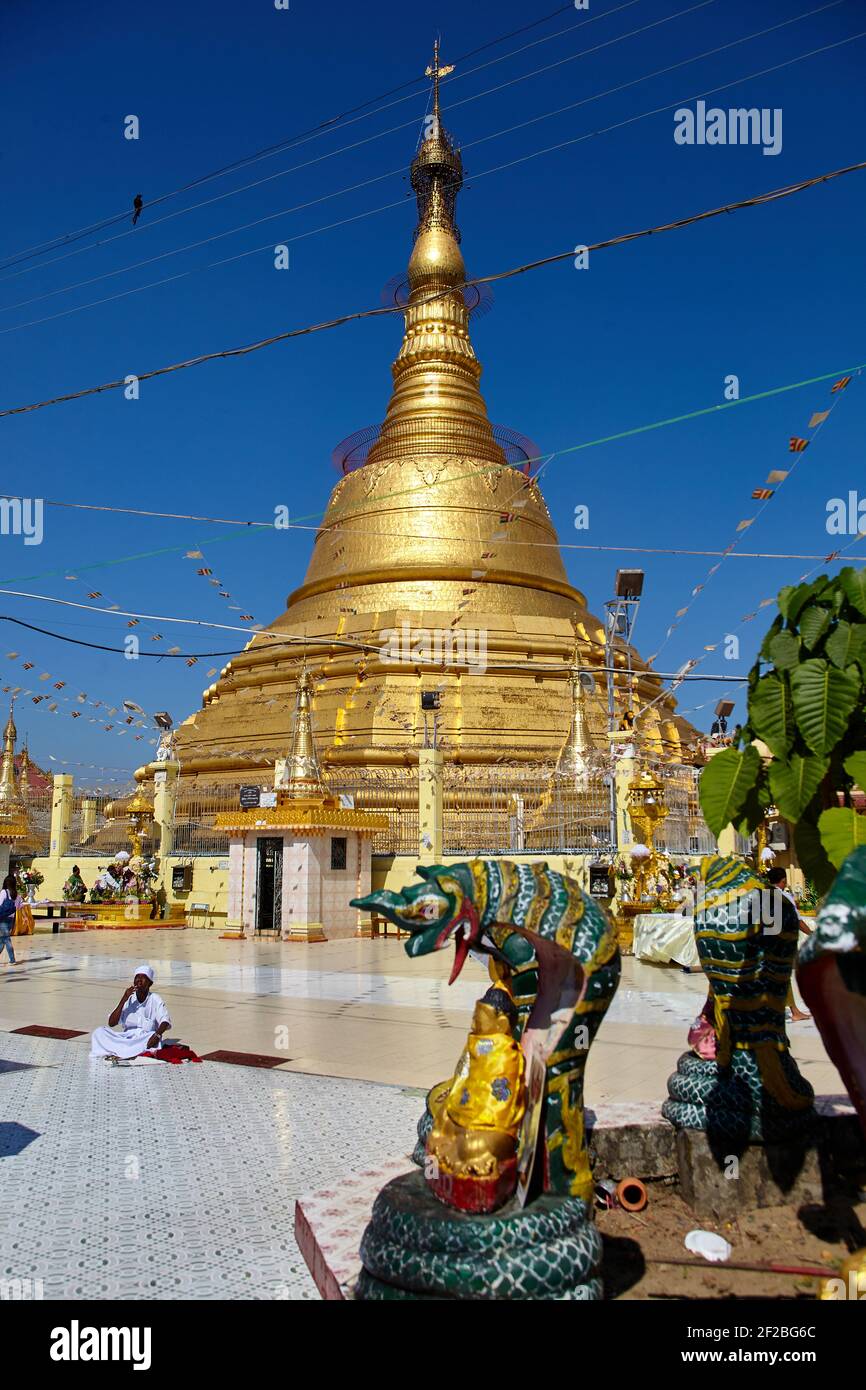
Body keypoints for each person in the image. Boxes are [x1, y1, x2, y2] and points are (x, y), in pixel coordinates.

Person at [91, 964, 171, 1059]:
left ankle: (122, 1051)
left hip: (144, 1039)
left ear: (150, 983)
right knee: (99, 1032)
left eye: (143, 977)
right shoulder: (128, 998)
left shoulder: (155, 999)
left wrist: (157, 1035)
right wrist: (124, 999)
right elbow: (111, 1023)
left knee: (150, 1037)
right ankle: (127, 1051)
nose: (139, 980)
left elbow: (165, 1021)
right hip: (126, 1039)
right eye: (137, 977)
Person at [767, 866, 812, 1022]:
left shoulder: (762, 896)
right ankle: (794, 1011)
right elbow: (797, 921)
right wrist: (812, 934)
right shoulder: (785, 897)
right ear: (783, 880)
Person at [0, 873, 19, 965]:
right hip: (11, 920)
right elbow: (18, 907)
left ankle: (12, 959)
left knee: (6, 939)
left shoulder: (4, 892)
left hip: (2, 919)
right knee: (2, 940)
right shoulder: (16, 894)